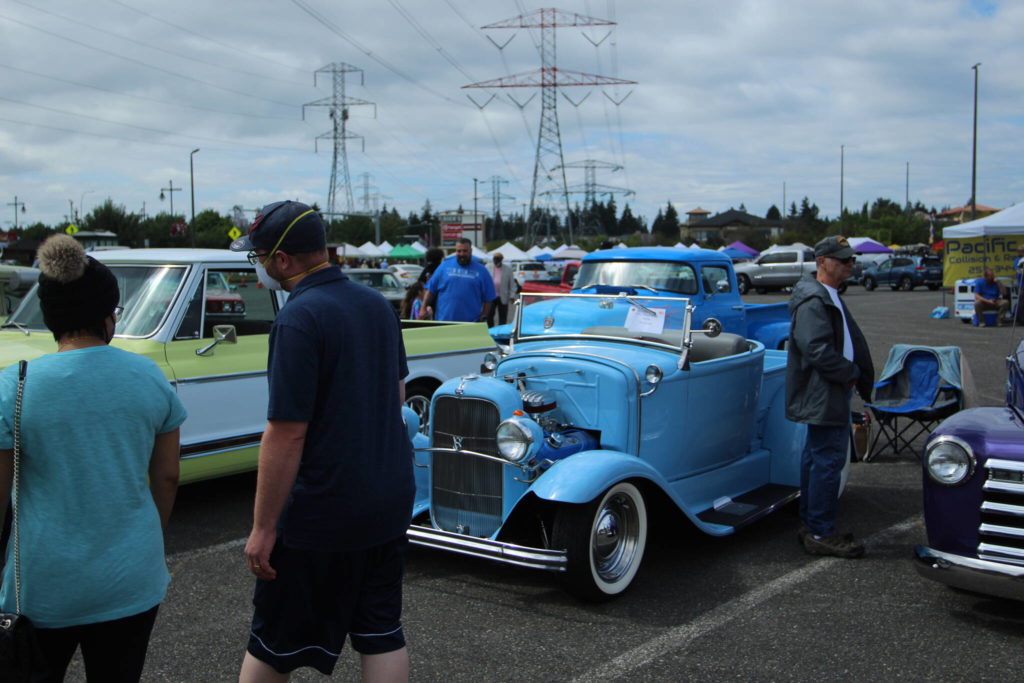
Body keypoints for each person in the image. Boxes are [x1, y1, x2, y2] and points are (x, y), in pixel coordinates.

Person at [230, 201, 414, 682]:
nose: (261, 267)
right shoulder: (377, 305)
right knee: (381, 632)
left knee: (272, 644)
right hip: (388, 500)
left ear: (284, 260)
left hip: (323, 509)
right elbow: (395, 395)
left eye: (261, 256)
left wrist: (264, 527)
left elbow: (287, 432)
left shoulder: (299, 318)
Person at [0, 234, 185, 682]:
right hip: (131, 577)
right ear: (108, 315)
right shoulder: (147, 374)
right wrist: (148, 537)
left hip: (42, 585)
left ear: (49, 317)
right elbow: (166, 478)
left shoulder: (15, 385)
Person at [786, 235, 874, 559]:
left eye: (851, 258)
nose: (850, 263)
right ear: (822, 261)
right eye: (843, 259)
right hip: (826, 392)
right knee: (827, 460)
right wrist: (850, 374)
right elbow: (816, 349)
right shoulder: (815, 300)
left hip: (828, 390)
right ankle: (821, 531)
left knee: (818, 457)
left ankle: (813, 525)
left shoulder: (827, 294)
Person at [420, 238, 495, 322]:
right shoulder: (444, 267)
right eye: (459, 251)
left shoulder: (482, 271)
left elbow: (489, 298)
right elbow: (431, 289)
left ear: (470, 251)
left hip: (470, 324)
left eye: (465, 251)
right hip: (444, 322)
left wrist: (484, 315)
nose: (461, 254)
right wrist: (423, 308)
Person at [486, 252, 515, 326]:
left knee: (503, 316)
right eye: (494, 258)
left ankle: (501, 332)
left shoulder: (508, 269)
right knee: (489, 315)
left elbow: (512, 283)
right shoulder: (488, 267)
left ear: (501, 259)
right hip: (491, 296)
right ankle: (491, 331)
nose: (495, 260)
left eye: (497, 259)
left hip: (503, 296)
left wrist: (512, 296)